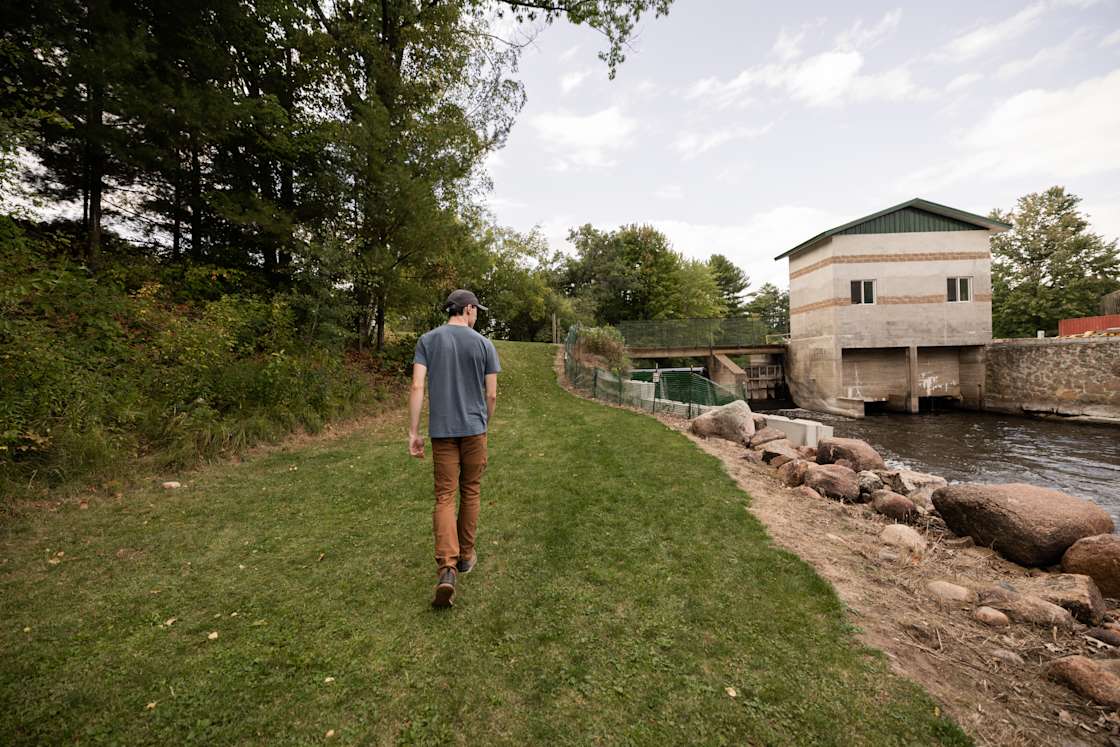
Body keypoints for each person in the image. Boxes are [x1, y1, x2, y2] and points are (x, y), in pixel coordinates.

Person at [409, 289, 500, 608]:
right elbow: (491, 395)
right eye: (477, 311)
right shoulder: (484, 344)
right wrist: (484, 424)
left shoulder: (427, 341)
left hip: (442, 432)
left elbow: (417, 386)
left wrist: (413, 432)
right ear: (468, 309)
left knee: (445, 495)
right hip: (475, 429)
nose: (477, 316)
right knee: (470, 490)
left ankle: (446, 568)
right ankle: (465, 556)